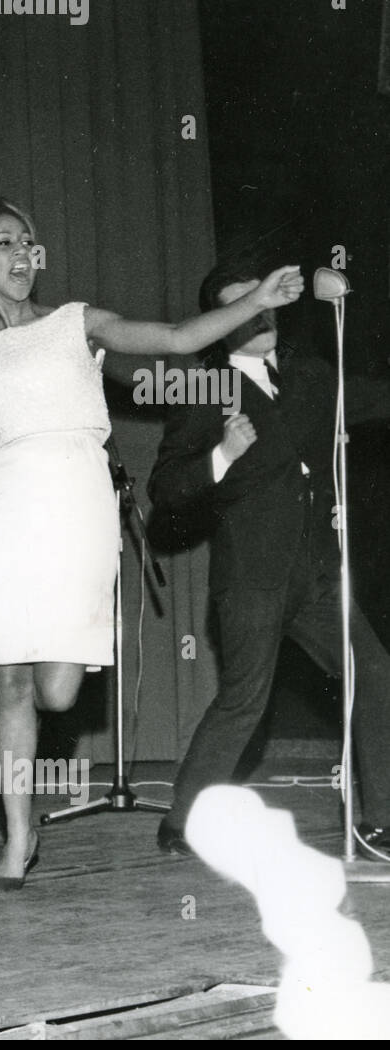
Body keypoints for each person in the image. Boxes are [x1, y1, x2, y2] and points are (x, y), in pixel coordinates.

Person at [0, 195, 303, 889]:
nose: (23, 255)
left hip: (79, 507)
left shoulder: (75, 322)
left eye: (28, 242)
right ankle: (18, 839)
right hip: (9, 510)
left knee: (56, 691)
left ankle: (28, 807)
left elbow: (176, 339)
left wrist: (256, 300)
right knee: (9, 678)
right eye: (4, 244)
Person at [147, 258, 390, 860]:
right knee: (244, 701)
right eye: (245, 308)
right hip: (251, 576)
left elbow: (369, 400)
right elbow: (166, 487)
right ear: (221, 322)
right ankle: (182, 821)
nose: (262, 317)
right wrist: (222, 456)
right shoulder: (206, 388)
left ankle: (380, 821)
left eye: (266, 304)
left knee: (374, 671)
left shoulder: (312, 374)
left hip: (318, 572)